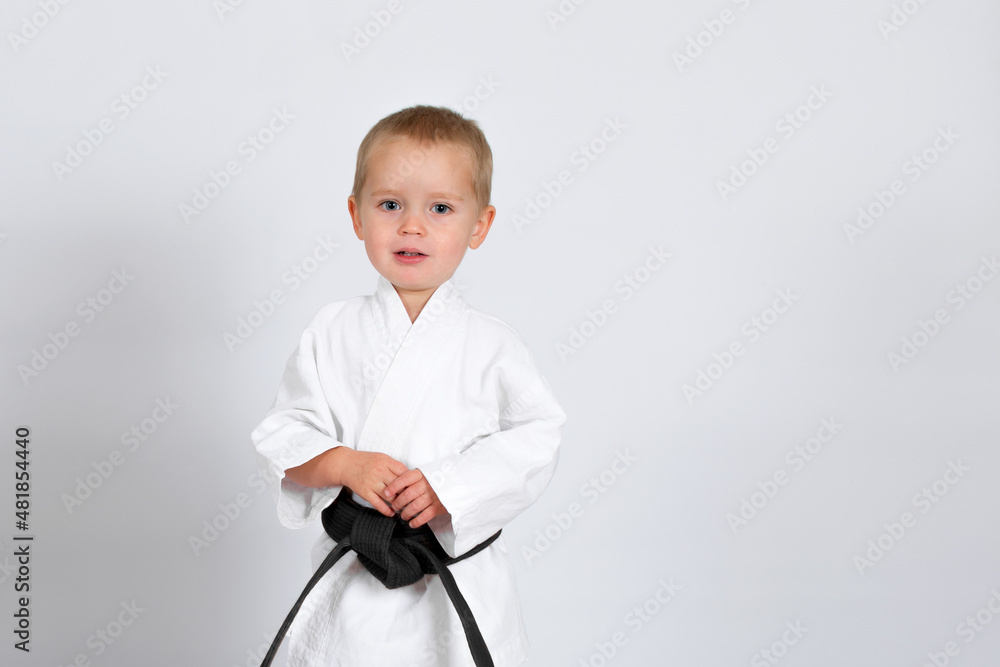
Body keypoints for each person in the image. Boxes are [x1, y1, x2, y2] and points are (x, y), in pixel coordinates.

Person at [251, 105, 566, 667]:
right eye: (390, 204)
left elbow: (536, 439)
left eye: (440, 208)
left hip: (455, 575)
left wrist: (450, 487)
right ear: (356, 215)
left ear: (480, 226)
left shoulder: (494, 345)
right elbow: (284, 437)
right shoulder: (332, 330)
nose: (412, 226)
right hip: (355, 575)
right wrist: (345, 464)